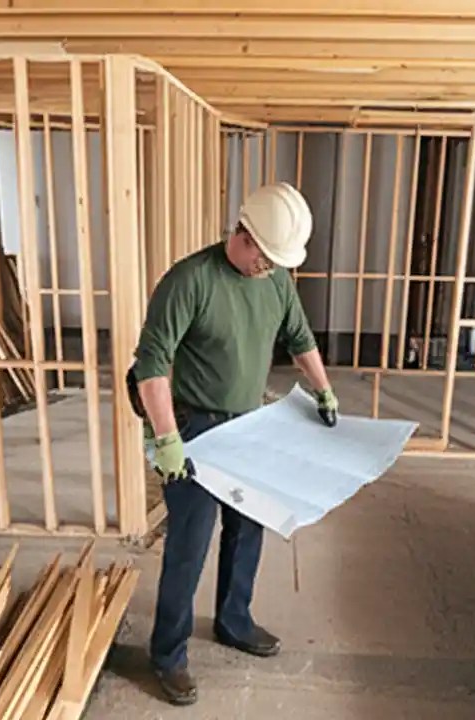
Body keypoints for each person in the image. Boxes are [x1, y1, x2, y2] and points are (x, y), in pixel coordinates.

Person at [130, 182, 338, 706]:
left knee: (248, 528)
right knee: (189, 544)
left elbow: (300, 338)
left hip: (249, 425)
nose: (269, 268)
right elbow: (151, 364)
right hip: (195, 430)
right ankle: (168, 655)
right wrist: (167, 439)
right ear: (242, 234)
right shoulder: (189, 280)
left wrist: (323, 389)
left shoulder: (276, 281)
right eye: (264, 257)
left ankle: (234, 619)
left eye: (277, 262)